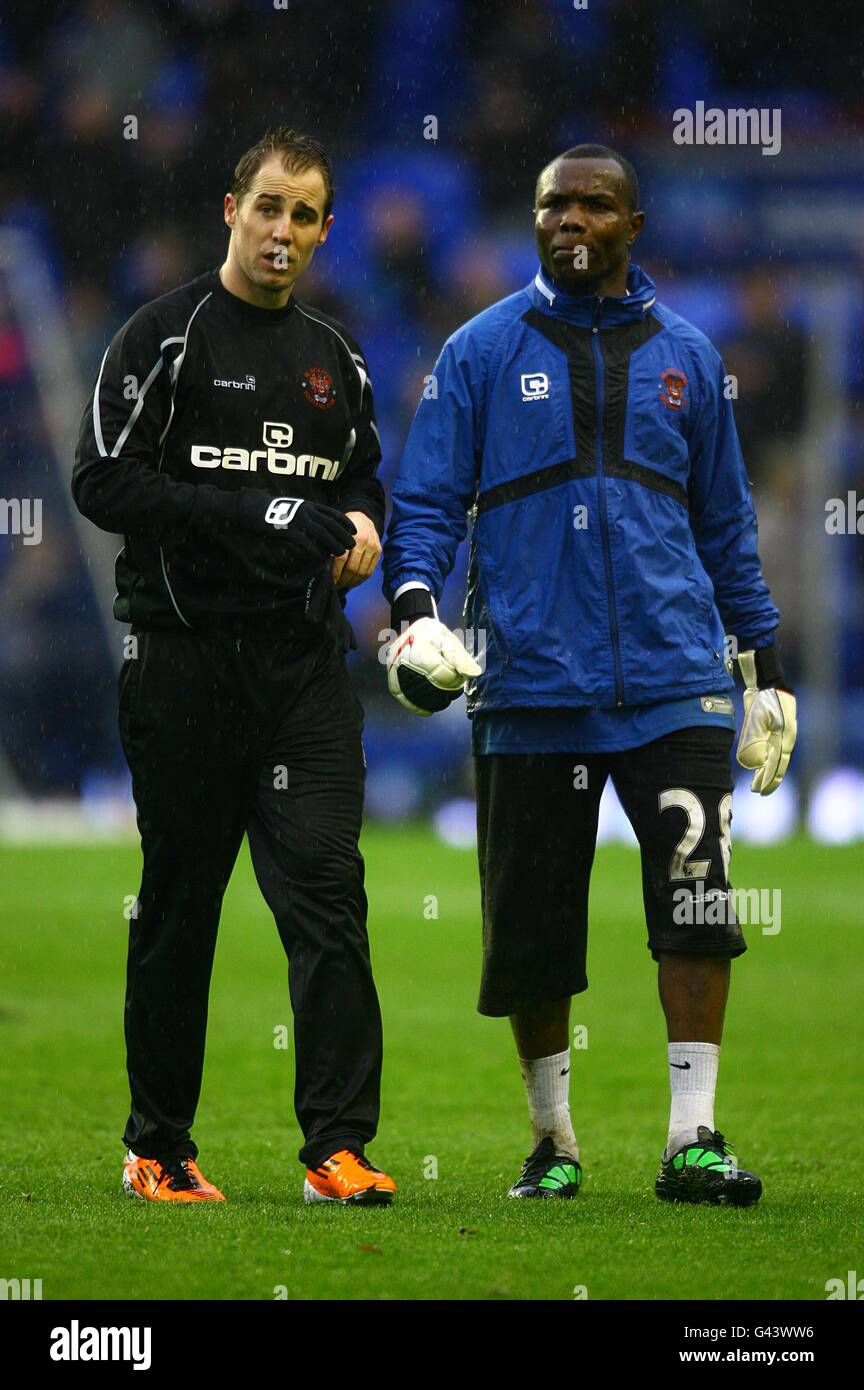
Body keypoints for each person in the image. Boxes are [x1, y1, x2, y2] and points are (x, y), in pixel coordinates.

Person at [382, 144, 796, 1206]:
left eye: (594, 204)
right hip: (529, 685)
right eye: (552, 203)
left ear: (633, 224)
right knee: (532, 934)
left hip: (675, 680)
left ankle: (693, 1139)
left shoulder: (692, 357)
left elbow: (724, 522)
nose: (570, 218)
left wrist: (767, 667)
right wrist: (416, 607)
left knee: (698, 910)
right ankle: (553, 1142)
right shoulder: (476, 353)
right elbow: (423, 505)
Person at [72, 126, 396, 1207]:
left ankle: (336, 1149)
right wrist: (257, 509)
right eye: (268, 206)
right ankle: (158, 1146)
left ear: (324, 230)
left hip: (303, 673)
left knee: (327, 897)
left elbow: (363, 484)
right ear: (230, 208)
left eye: (305, 215)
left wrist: (360, 527)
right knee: (181, 904)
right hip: (183, 664)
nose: (283, 231)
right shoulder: (164, 338)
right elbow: (102, 484)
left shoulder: (334, 358)